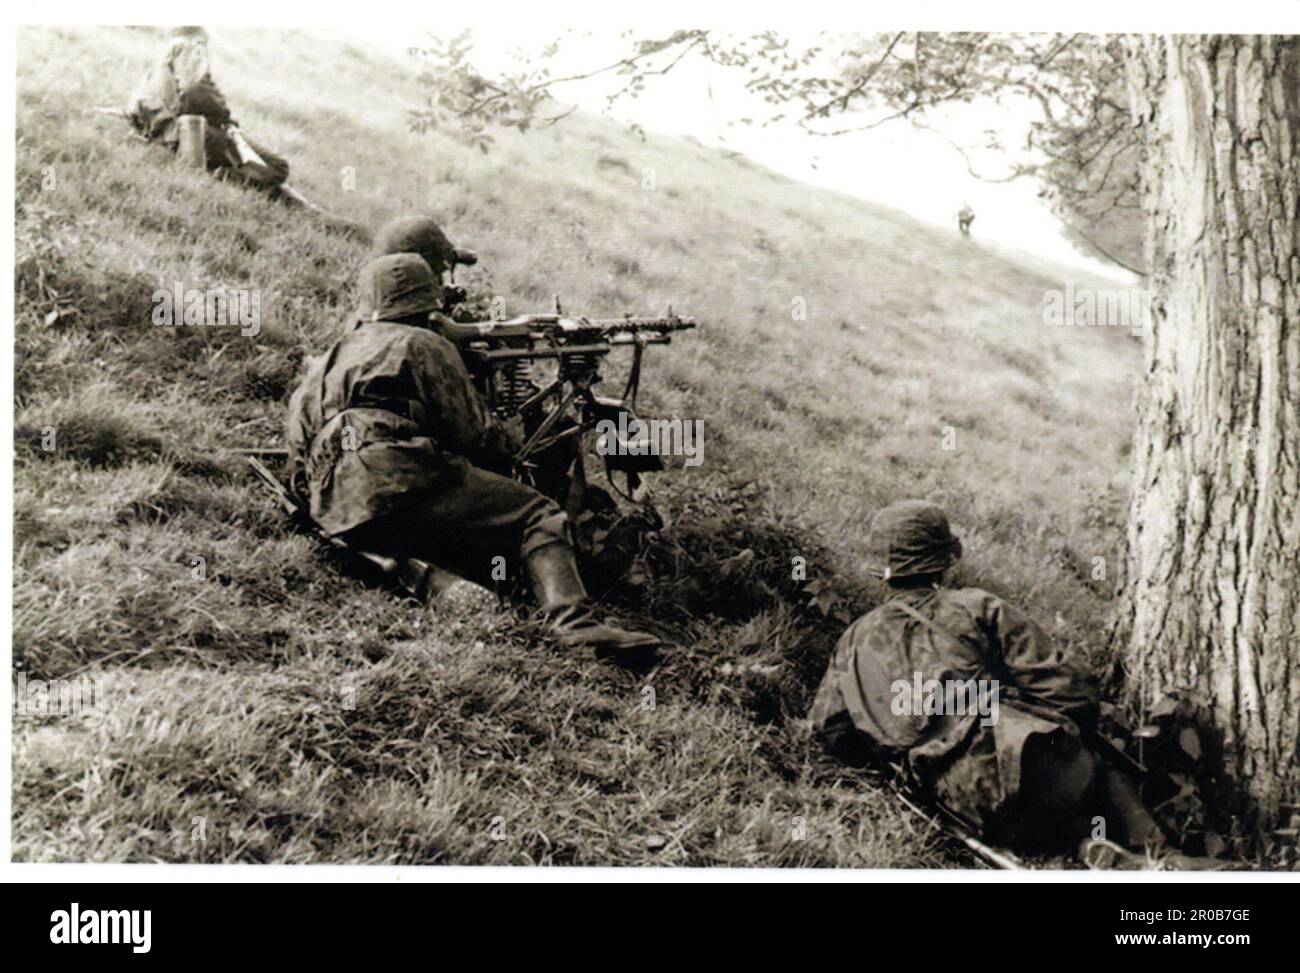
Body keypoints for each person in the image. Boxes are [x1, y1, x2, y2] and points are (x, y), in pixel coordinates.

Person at [284, 253, 660, 660]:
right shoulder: (421, 343)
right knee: (538, 514)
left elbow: (297, 462)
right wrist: (516, 430)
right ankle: (574, 624)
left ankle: (484, 589)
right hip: (399, 475)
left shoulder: (326, 363)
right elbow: (478, 436)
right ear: (427, 304)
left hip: (339, 509)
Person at [808, 499, 1215, 869]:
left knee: (1019, 798)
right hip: (1035, 772)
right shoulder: (976, 606)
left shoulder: (853, 640)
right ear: (946, 559)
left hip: (955, 800)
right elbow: (1071, 691)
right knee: (1077, 754)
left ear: (884, 567)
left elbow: (830, 729)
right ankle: (1159, 853)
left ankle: (1081, 843)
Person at [125, 26, 291, 195]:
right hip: (187, 132)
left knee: (263, 169)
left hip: (167, 129)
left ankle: (262, 188)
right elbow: (193, 88)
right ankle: (217, 177)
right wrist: (223, 119)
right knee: (279, 167)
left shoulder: (174, 44)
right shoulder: (195, 42)